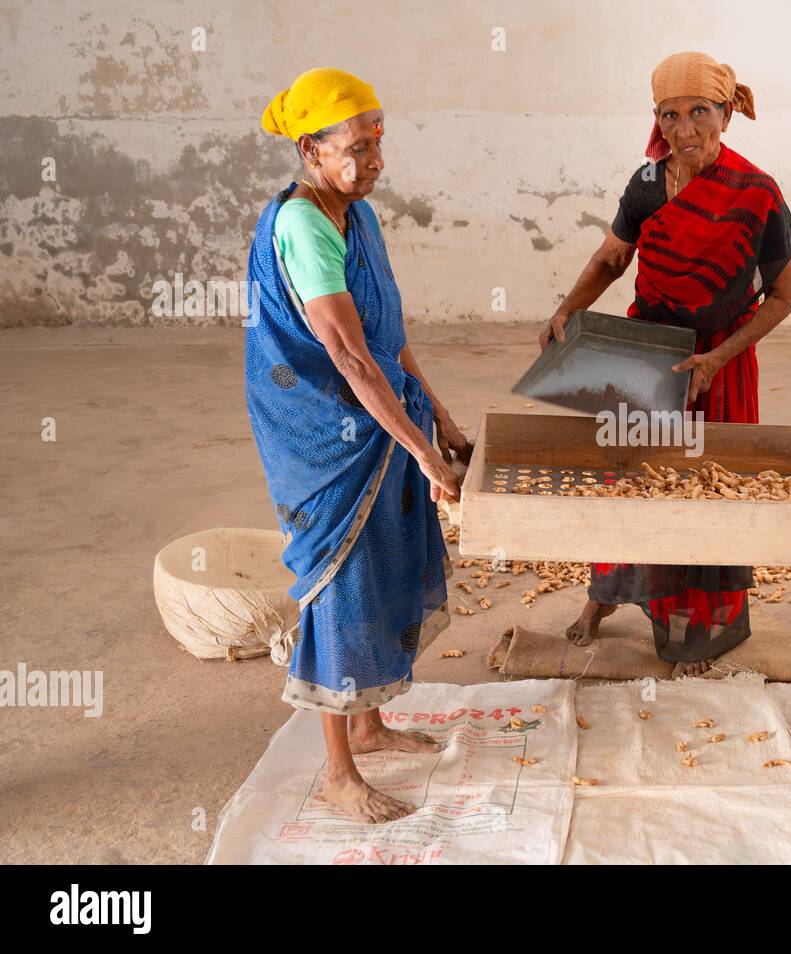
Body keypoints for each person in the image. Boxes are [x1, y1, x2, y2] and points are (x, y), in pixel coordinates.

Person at [246, 68, 470, 822]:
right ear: (311, 151)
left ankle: (369, 727)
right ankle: (339, 773)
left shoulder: (359, 216)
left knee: (378, 564)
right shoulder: (303, 225)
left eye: (379, 142)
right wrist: (420, 452)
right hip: (320, 431)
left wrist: (439, 416)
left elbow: (386, 337)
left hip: (374, 412)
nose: (375, 159)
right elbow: (346, 357)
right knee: (339, 582)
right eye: (357, 146)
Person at [540, 51, 791, 677]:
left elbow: (783, 298)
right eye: (670, 115)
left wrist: (716, 357)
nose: (684, 131)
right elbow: (611, 258)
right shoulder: (648, 184)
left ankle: (696, 626)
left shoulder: (758, 194)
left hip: (721, 359)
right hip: (647, 351)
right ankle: (603, 598)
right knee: (629, 478)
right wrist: (566, 311)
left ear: (727, 113)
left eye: (699, 113)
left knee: (705, 487)